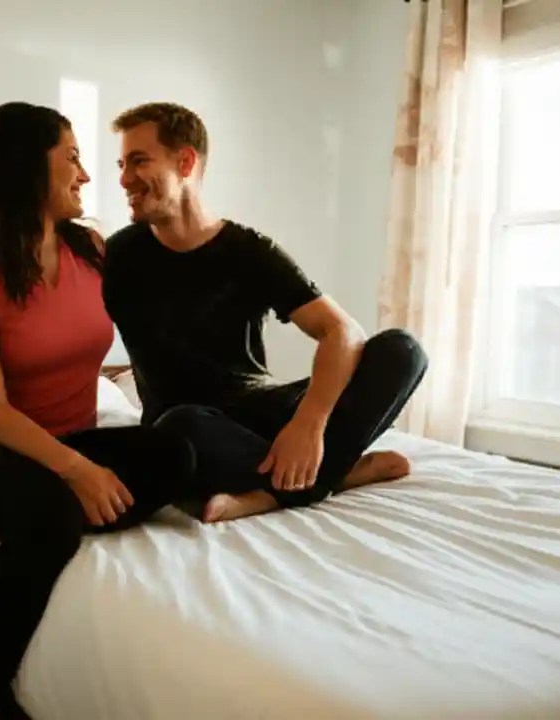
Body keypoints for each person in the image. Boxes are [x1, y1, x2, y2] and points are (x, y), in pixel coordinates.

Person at [0, 102, 195, 720]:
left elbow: (158, 307)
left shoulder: (92, 250)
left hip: (65, 441)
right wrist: (77, 470)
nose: (86, 175)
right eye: (71, 156)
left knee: (176, 454)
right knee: (52, 522)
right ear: (25, 166)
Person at [103, 102, 428, 524]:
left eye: (138, 161)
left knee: (403, 351)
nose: (125, 178)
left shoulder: (249, 251)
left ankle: (278, 490)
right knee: (178, 427)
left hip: (262, 412)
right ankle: (335, 474)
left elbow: (341, 332)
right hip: (193, 432)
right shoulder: (116, 256)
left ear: (185, 162)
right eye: (122, 164)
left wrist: (308, 426)